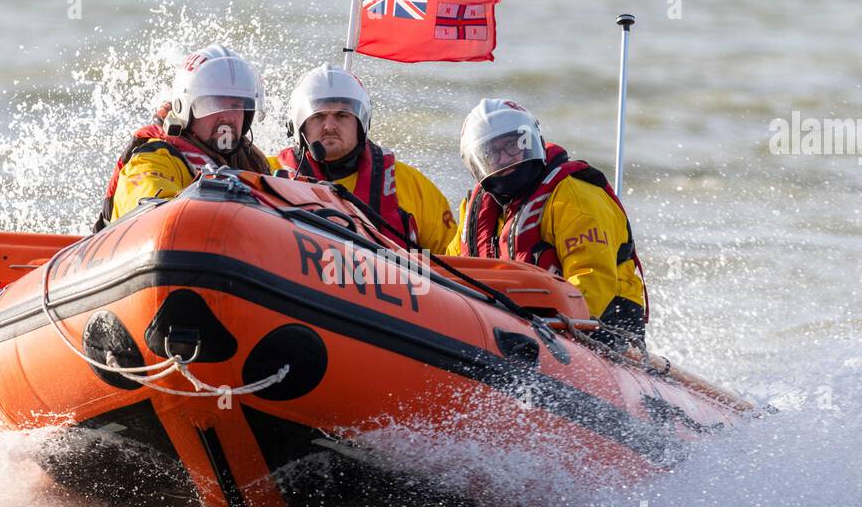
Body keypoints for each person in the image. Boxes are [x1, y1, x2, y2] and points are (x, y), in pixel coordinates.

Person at [452, 98, 649, 343]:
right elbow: (452, 268)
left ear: (530, 142)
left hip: (602, 328)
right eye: (491, 153)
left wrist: (558, 333)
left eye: (512, 146)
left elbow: (592, 277)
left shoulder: (575, 196)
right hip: (511, 330)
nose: (503, 159)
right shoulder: (475, 210)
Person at [270, 64, 458, 254]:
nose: (329, 126)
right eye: (318, 116)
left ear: (362, 124)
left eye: (342, 115)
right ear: (298, 127)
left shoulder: (413, 187)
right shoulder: (268, 173)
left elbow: (454, 262)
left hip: (388, 281)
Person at [95, 44, 271, 231]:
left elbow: (288, 181)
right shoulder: (152, 160)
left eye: (236, 105)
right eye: (214, 104)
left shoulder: (252, 162)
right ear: (185, 108)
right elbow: (153, 217)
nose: (227, 116)